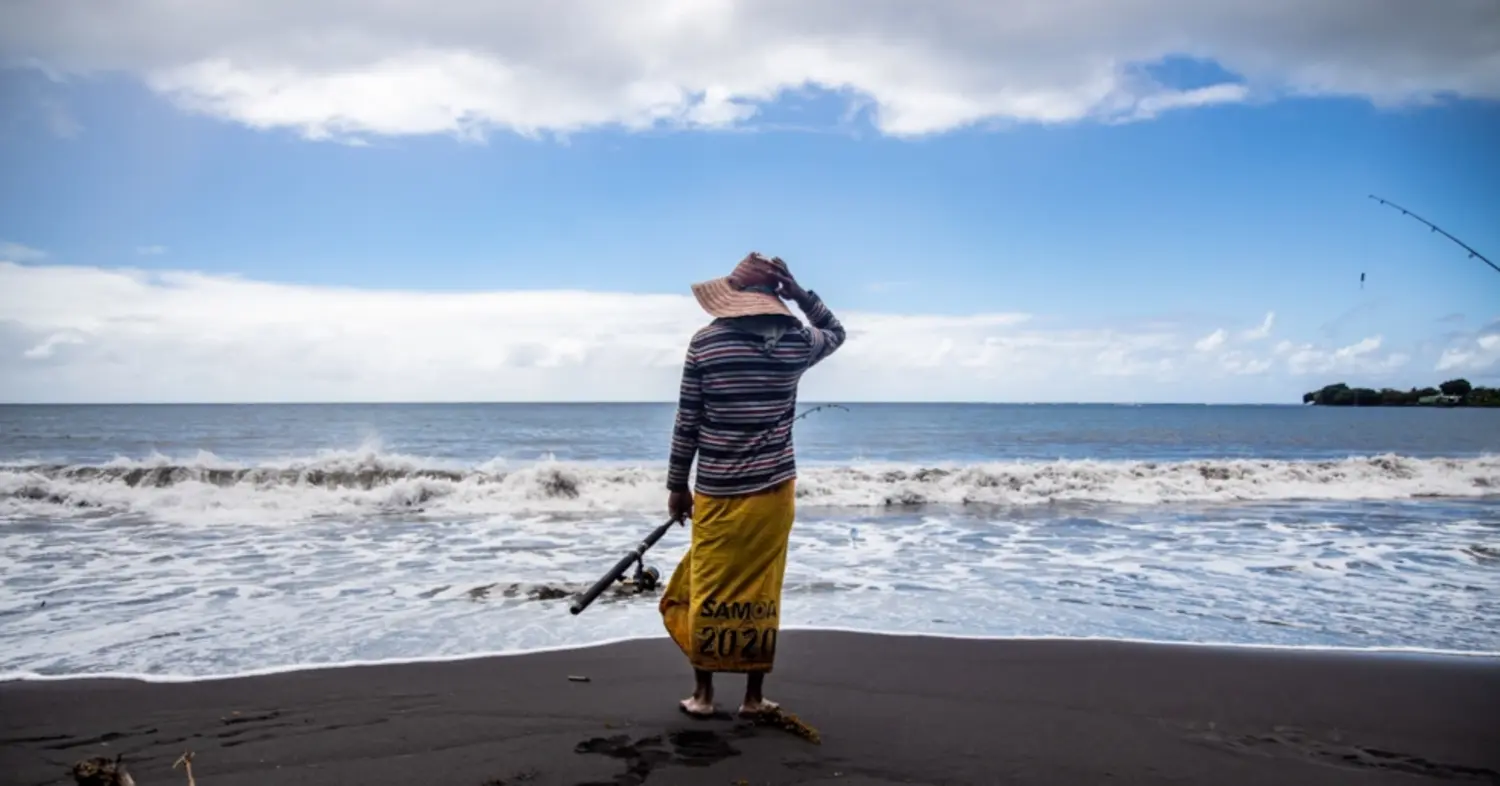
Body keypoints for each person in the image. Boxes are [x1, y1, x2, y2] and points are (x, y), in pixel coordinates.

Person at [658, 251, 846, 719]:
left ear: (734, 296)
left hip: (716, 489)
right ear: (774, 296)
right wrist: (801, 295)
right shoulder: (797, 343)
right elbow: (835, 331)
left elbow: (687, 421)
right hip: (774, 493)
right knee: (762, 587)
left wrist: (677, 485)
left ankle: (703, 695)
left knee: (708, 584)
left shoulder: (705, 343)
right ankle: (753, 697)